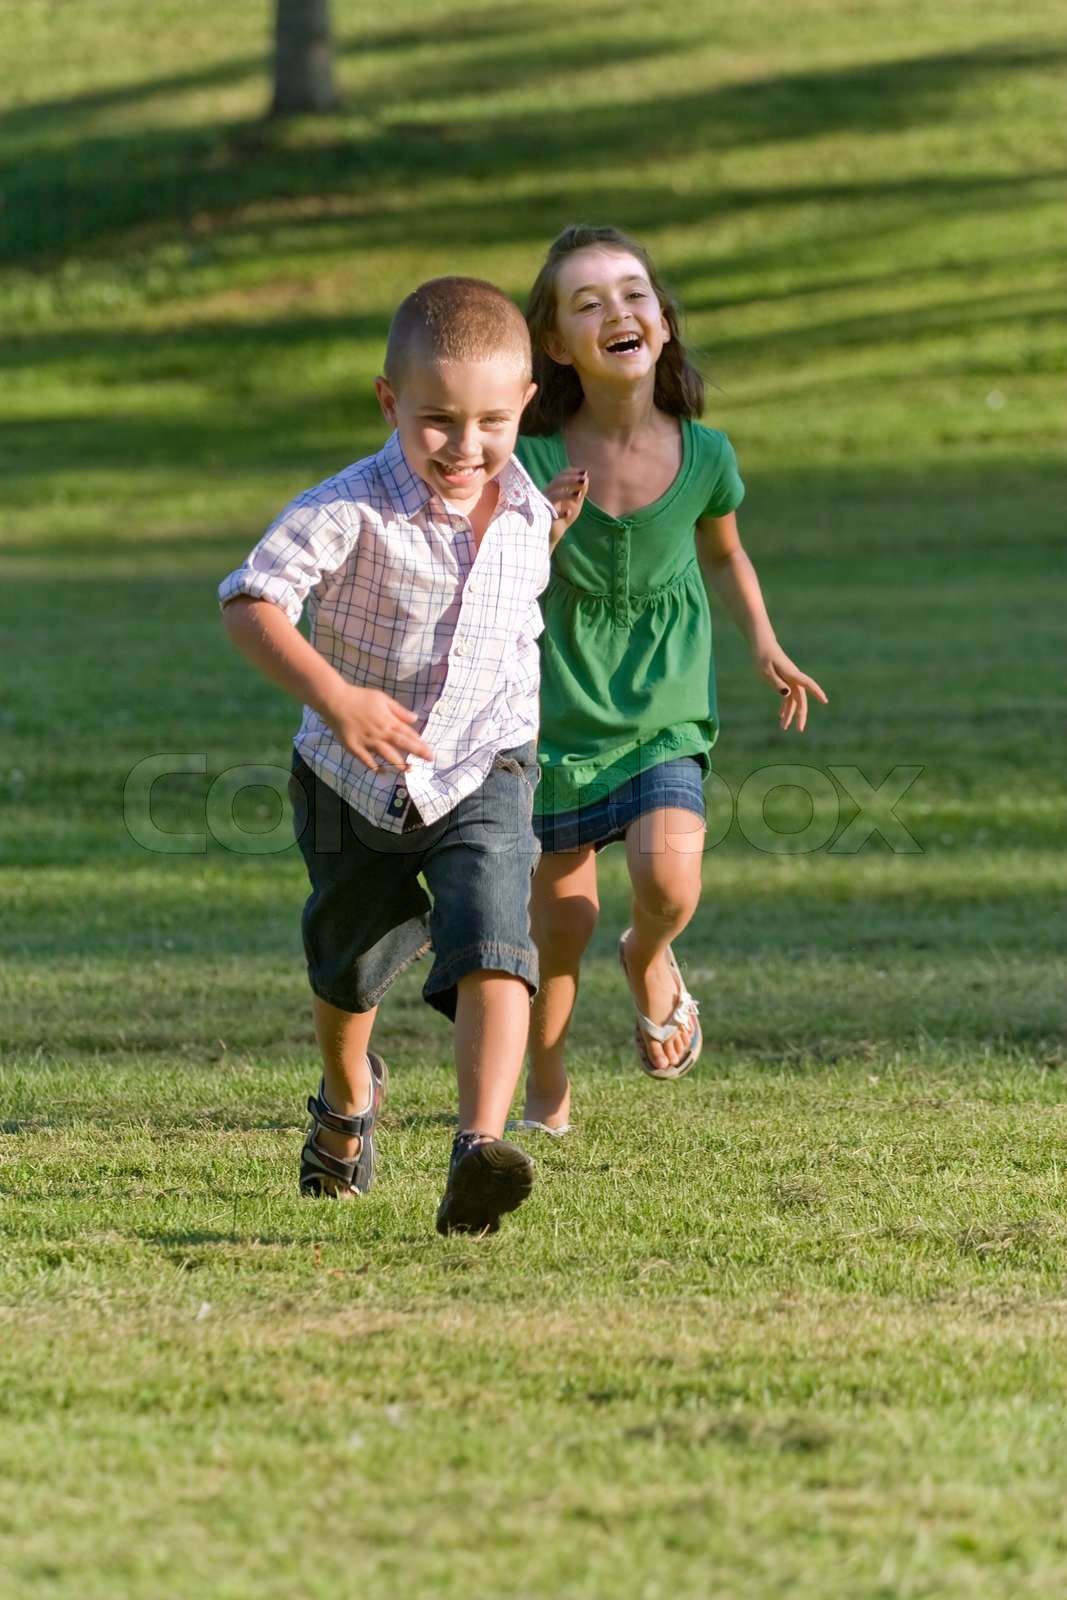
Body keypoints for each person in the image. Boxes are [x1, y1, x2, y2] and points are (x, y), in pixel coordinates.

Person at [218, 277, 583, 1236]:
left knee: (497, 942)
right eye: (437, 423)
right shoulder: (346, 509)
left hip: (483, 769)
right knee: (350, 966)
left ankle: (478, 1149)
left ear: (525, 405)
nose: (465, 449)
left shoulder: (522, 511)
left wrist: (550, 521)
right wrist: (334, 698)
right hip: (350, 786)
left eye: (491, 422)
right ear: (390, 402)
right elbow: (249, 601)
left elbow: (521, 579)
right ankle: (346, 1098)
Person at [514, 225, 828, 1134]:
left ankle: (649, 954)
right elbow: (493, 579)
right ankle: (546, 1089)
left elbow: (725, 557)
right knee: (556, 929)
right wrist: (543, 533)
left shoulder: (706, 455)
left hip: (664, 708)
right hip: (554, 714)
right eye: (587, 303)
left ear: (661, 321)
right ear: (554, 345)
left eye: (633, 292)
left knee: (670, 883)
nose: (617, 310)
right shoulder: (528, 459)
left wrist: (763, 643)